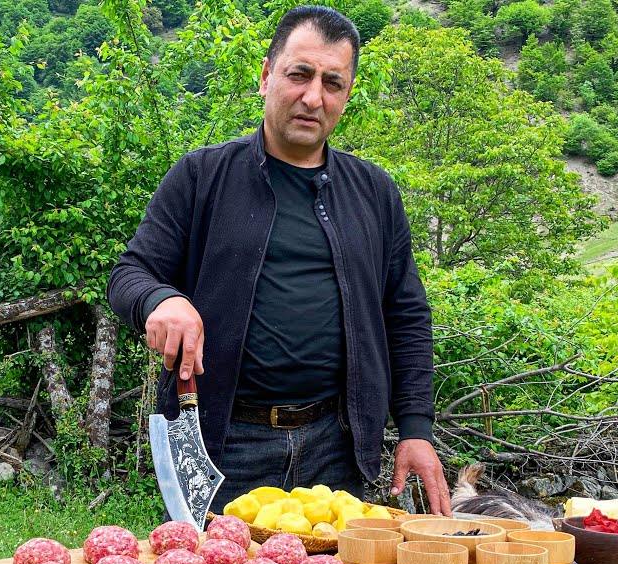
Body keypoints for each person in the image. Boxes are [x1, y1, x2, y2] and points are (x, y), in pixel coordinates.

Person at [106, 5, 451, 516]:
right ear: (267, 75)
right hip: (225, 442)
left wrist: (416, 428)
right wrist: (162, 299)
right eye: (299, 74)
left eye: (333, 82)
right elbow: (129, 274)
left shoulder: (374, 192)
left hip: (339, 445)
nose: (314, 97)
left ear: (347, 94)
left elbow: (407, 317)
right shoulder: (202, 176)